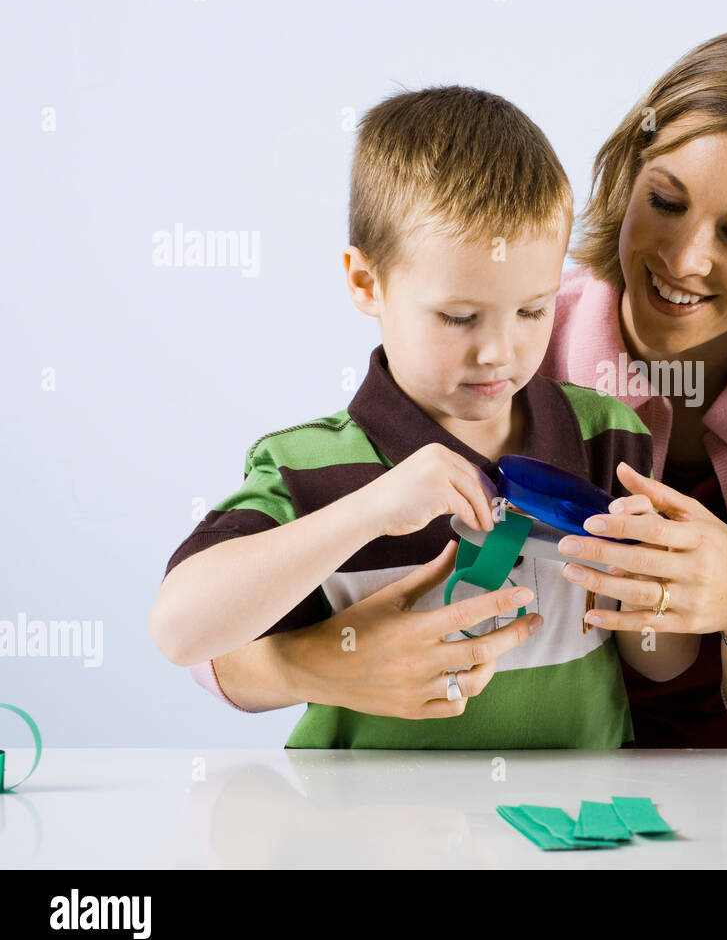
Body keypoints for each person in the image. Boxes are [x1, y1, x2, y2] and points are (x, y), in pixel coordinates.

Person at [189, 27, 727, 749]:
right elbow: (210, 635)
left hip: (720, 789)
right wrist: (325, 662)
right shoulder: (503, 338)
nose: (684, 258)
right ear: (630, 172)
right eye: (665, 200)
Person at [151, 85, 682, 749]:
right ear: (366, 283)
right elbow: (179, 631)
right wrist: (368, 511)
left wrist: (656, 589)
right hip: (366, 835)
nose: (499, 352)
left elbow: (659, 661)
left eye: (533, 310)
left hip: (570, 834)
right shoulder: (310, 467)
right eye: (459, 317)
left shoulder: (609, 436)